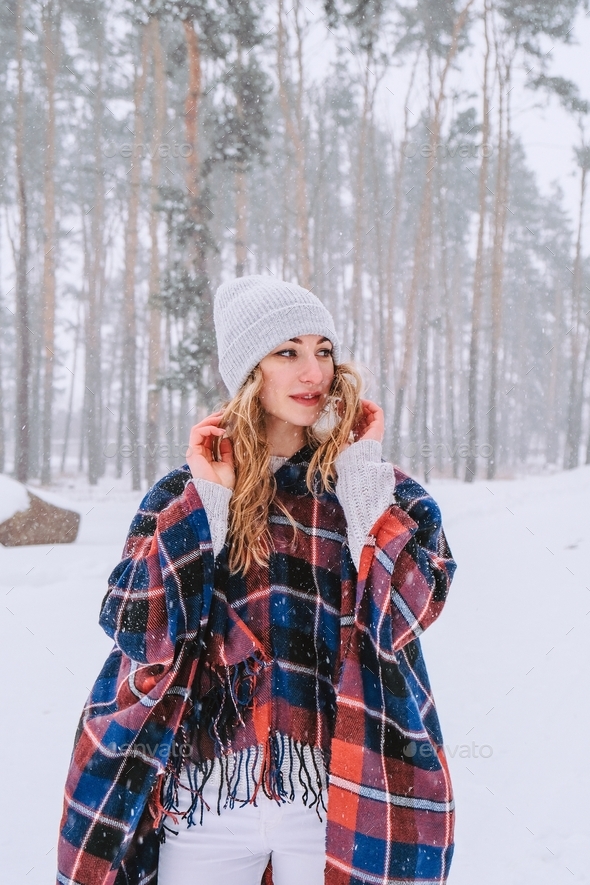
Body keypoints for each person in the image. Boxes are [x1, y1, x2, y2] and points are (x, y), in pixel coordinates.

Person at [57, 275, 457, 885]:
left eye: (323, 350)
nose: (313, 372)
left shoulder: (372, 487)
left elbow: (409, 610)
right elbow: (141, 630)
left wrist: (362, 484)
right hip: (204, 795)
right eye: (287, 352)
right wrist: (211, 506)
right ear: (249, 372)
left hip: (339, 790)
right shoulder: (184, 492)